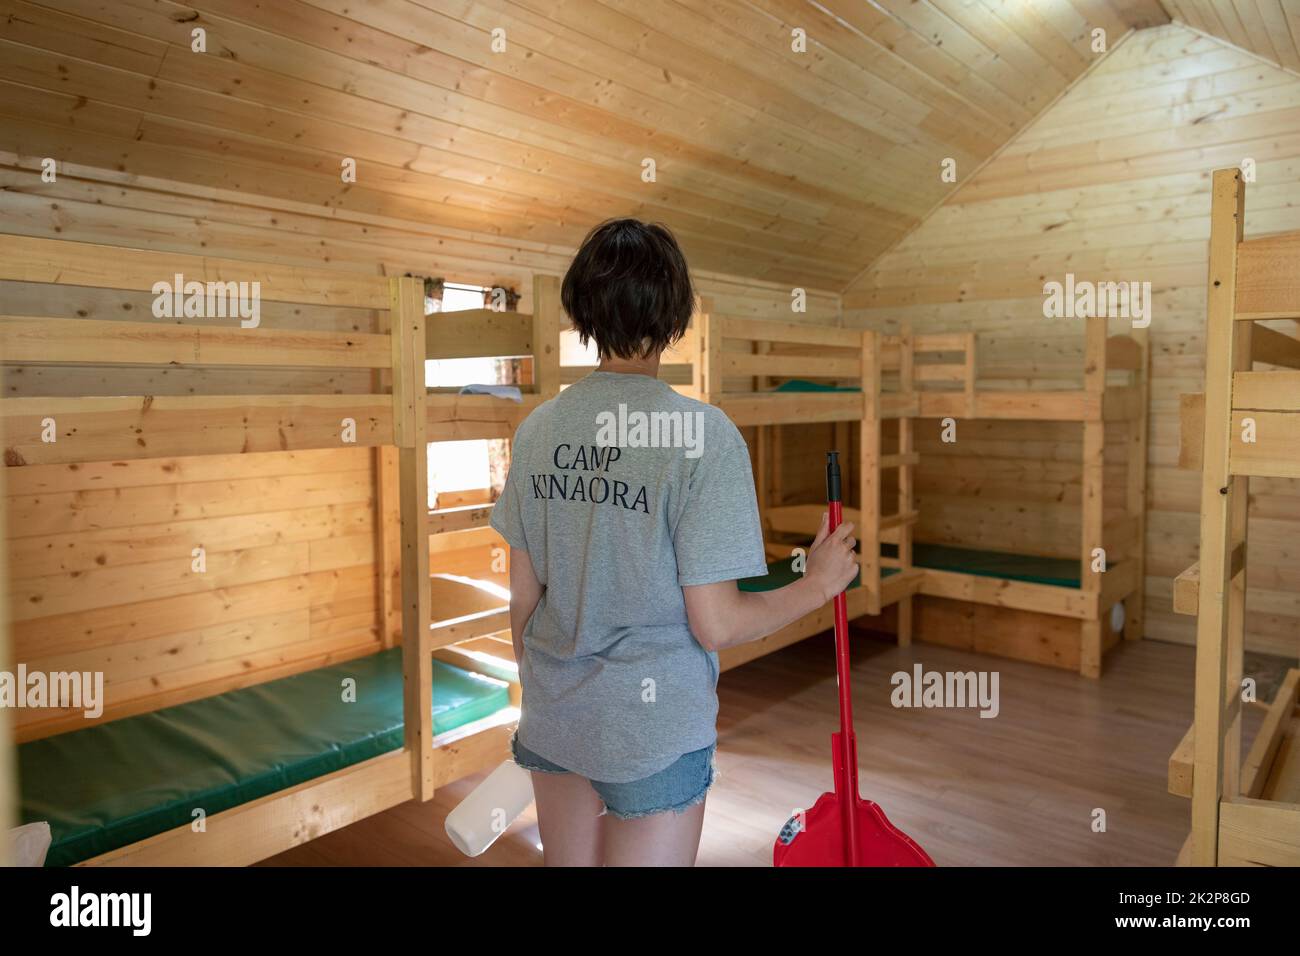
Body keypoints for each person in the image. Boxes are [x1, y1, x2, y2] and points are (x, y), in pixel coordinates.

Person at [489, 218, 859, 866]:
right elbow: (716, 624)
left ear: (583, 311)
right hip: (650, 732)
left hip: (554, 715)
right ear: (674, 316)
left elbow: (522, 598)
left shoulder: (538, 428)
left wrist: (551, 688)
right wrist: (820, 582)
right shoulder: (703, 437)